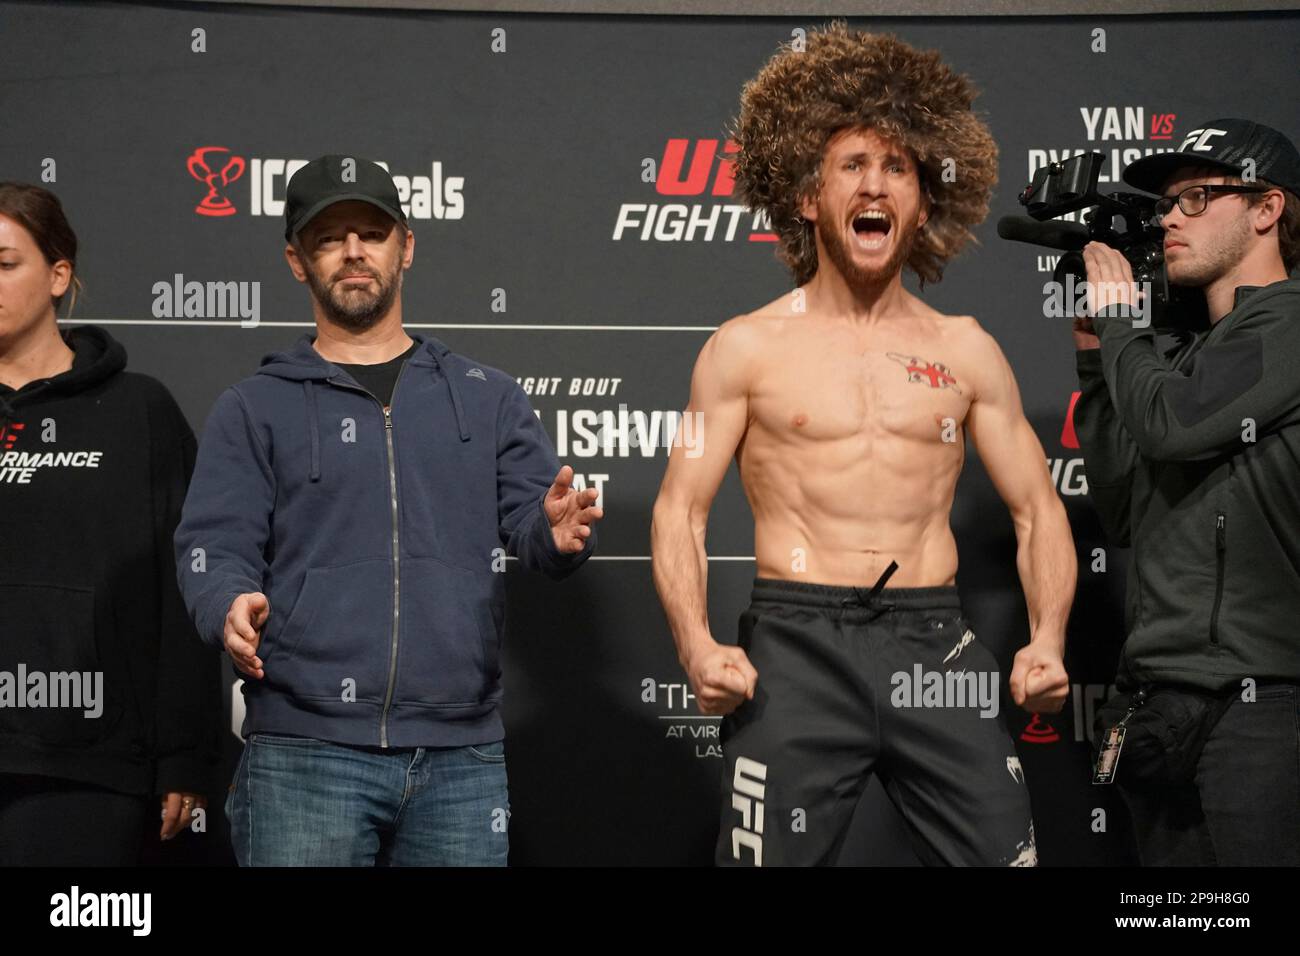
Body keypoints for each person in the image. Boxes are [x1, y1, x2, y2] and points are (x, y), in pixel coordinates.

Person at [651, 23, 1075, 867]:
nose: (875, 185)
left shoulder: (966, 349)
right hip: (796, 648)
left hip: (934, 644)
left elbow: (1036, 509)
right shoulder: (744, 348)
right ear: (809, 199)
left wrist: (1049, 640)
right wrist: (696, 645)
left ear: (921, 204)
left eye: (897, 169)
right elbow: (679, 509)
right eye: (852, 166)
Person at [174, 155, 601, 866]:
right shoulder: (254, 406)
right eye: (328, 237)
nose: (352, 252)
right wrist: (225, 601)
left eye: (370, 233)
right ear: (296, 260)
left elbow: (533, 521)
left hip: (460, 759)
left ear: (405, 246)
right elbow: (213, 543)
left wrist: (553, 534)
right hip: (304, 753)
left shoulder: (484, 395)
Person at [1073, 118, 1300, 866]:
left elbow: (1172, 426)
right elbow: (1124, 510)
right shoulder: (1185, 357)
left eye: (1198, 197)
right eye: (1168, 204)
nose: (1170, 216)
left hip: (1261, 708)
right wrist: (1093, 362)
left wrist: (1120, 324)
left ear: (1268, 209)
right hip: (1158, 701)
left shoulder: (1290, 325)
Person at [0, 182, 221, 865]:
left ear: (59, 275)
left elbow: (184, 584)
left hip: (88, 766)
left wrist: (184, 752)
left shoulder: (140, 411)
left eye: (5, 263)